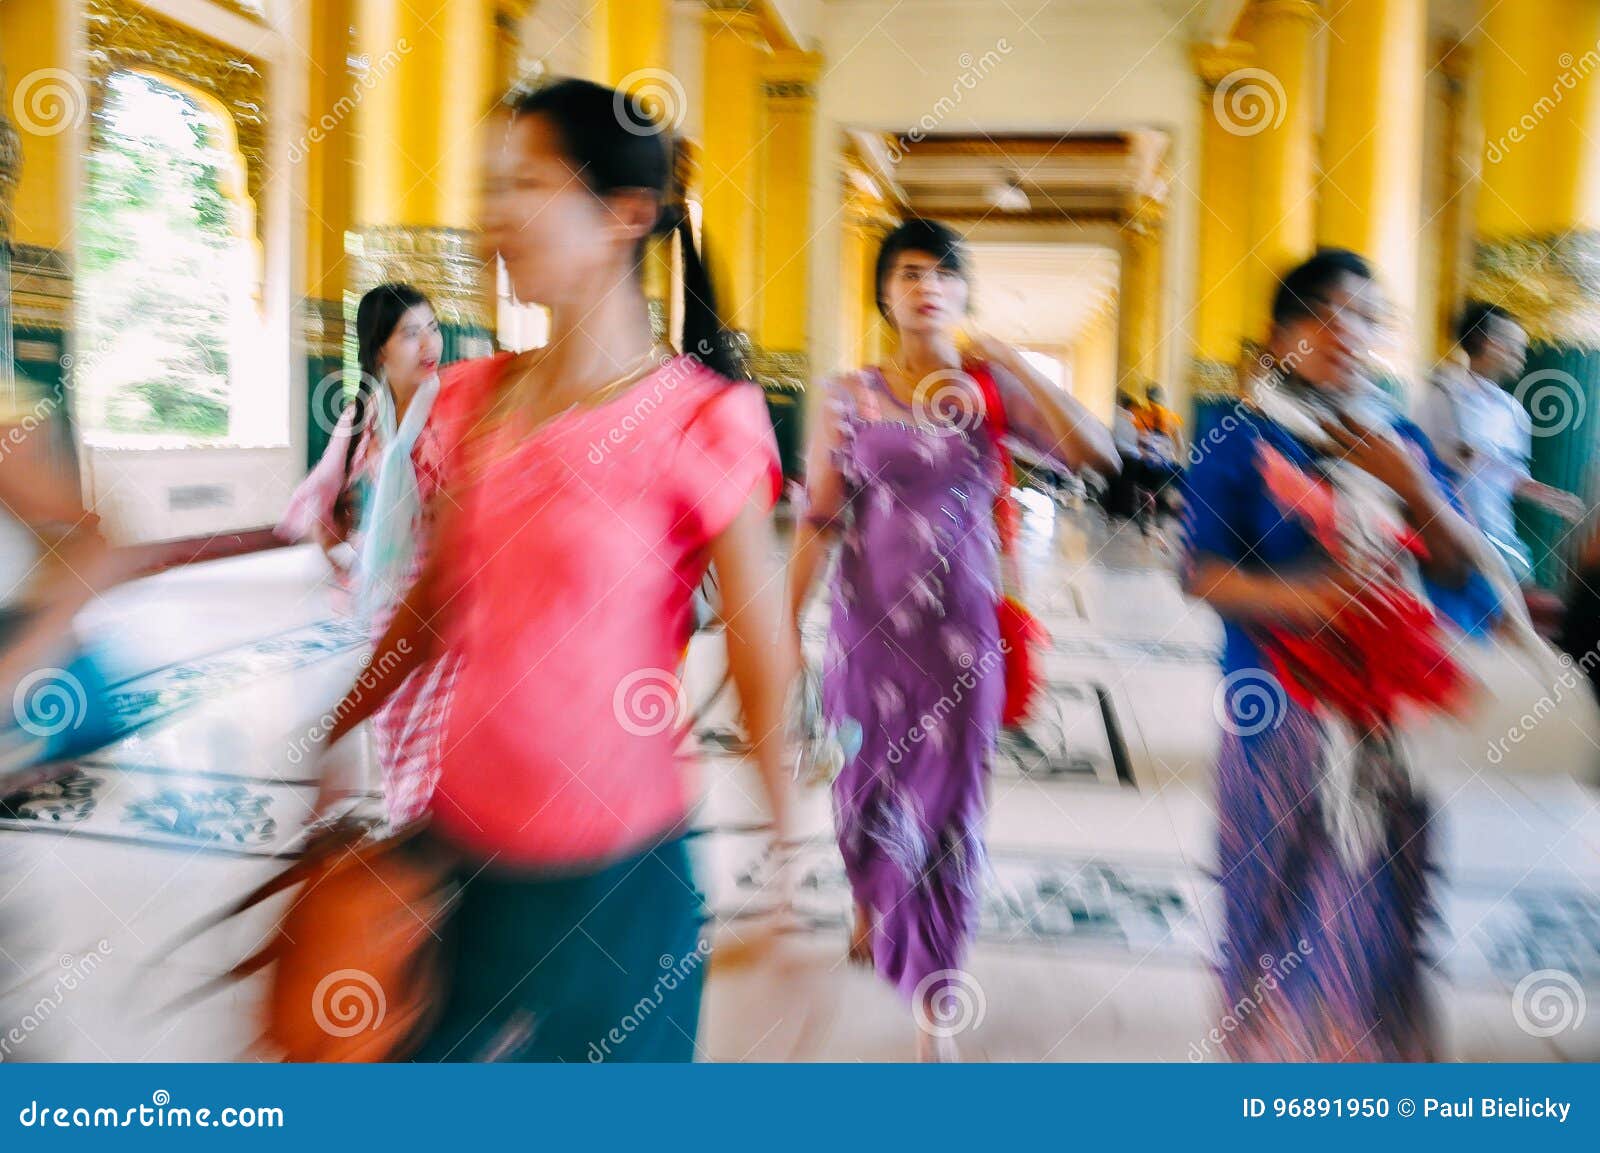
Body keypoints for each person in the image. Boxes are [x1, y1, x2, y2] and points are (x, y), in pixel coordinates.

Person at [308, 77, 794, 1062]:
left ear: (625, 216)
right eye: (490, 186)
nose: (494, 215)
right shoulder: (470, 400)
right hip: (460, 857)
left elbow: (762, 648)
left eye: (526, 184)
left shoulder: (703, 419)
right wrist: (334, 721)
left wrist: (788, 835)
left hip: (622, 888)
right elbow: (436, 605)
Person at [787, 218, 1117, 1060]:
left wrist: (1014, 369)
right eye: (907, 272)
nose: (926, 284)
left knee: (949, 816)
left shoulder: (988, 394)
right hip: (865, 640)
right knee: (861, 797)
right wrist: (784, 624)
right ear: (884, 294)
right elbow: (821, 517)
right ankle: (868, 904)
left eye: (943, 272)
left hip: (961, 647)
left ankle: (937, 1002)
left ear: (964, 293)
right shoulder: (846, 395)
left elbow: (1099, 455)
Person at [1183, 249, 1498, 1061]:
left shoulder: (1393, 440)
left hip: (1381, 726)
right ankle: (1278, 1067)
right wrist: (1311, 599)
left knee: (1376, 901)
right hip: (1276, 713)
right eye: (1320, 313)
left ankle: (1358, 1068)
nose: (1343, 331)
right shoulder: (1241, 437)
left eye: (1362, 316)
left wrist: (1414, 486)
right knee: (1276, 897)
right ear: (1278, 333)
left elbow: (1463, 569)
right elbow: (1201, 571)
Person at [278, 284, 449, 823]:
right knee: (397, 731)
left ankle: (434, 839)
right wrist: (346, 558)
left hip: (444, 605)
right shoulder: (363, 421)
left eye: (433, 328)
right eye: (410, 333)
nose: (429, 344)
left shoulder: (452, 410)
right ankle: (408, 829)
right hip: (386, 612)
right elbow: (317, 501)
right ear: (380, 349)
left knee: (444, 740)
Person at [1417, 301, 1584, 587]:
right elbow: (1418, 462)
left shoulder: (1512, 411)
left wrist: (1555, 499)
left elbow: (1512, 478)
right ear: (1488, 343)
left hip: (1497, 540)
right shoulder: (1440, 395)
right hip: (1447, 540)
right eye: (1513, 343)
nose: (1521, 353)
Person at [1138, 383, 1185, 517]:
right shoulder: (1172, 418)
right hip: (1164, 466)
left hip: (1144, 465)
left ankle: (1147, 500)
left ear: (1147, 397)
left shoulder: (1142, 415)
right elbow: (1180, 446)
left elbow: (1137, 442)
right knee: (1178, 476)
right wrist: (1172, 458)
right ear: (1162, 397)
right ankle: (1164, 509)